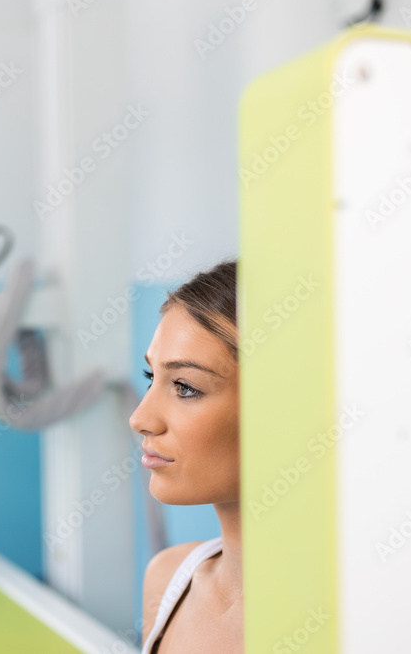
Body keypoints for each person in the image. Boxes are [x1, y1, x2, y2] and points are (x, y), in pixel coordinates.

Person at [130, 260, 242, 653]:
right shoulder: (166, 578)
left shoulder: (347, 623)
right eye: (151, 378)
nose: (140, 418)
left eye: (185, 387)